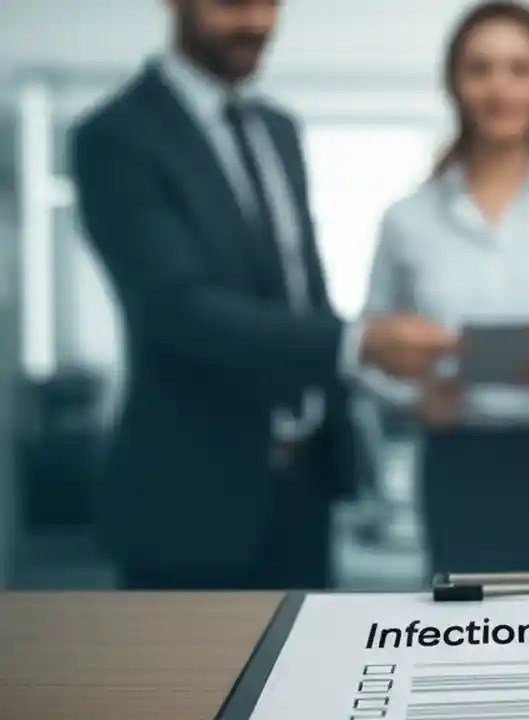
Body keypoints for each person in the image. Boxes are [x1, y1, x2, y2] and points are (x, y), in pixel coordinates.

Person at [71, 0, 455, 590]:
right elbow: (176, 308)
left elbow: (301, 288)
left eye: (269, 3)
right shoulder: (116, 136)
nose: (255, 22)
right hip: (190, 497)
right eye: (232, 3)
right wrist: (357, 342)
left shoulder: (278, 130)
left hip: (303, 489)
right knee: (192, 683)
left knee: (306, 677)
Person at [358, 2, 529, 575]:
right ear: (455, 83)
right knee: (464, 646)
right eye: (481, 68)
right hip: (456, 462)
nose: (501, 86)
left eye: (520, 69)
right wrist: (415, 400)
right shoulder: (408, 220)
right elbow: (370, 353)